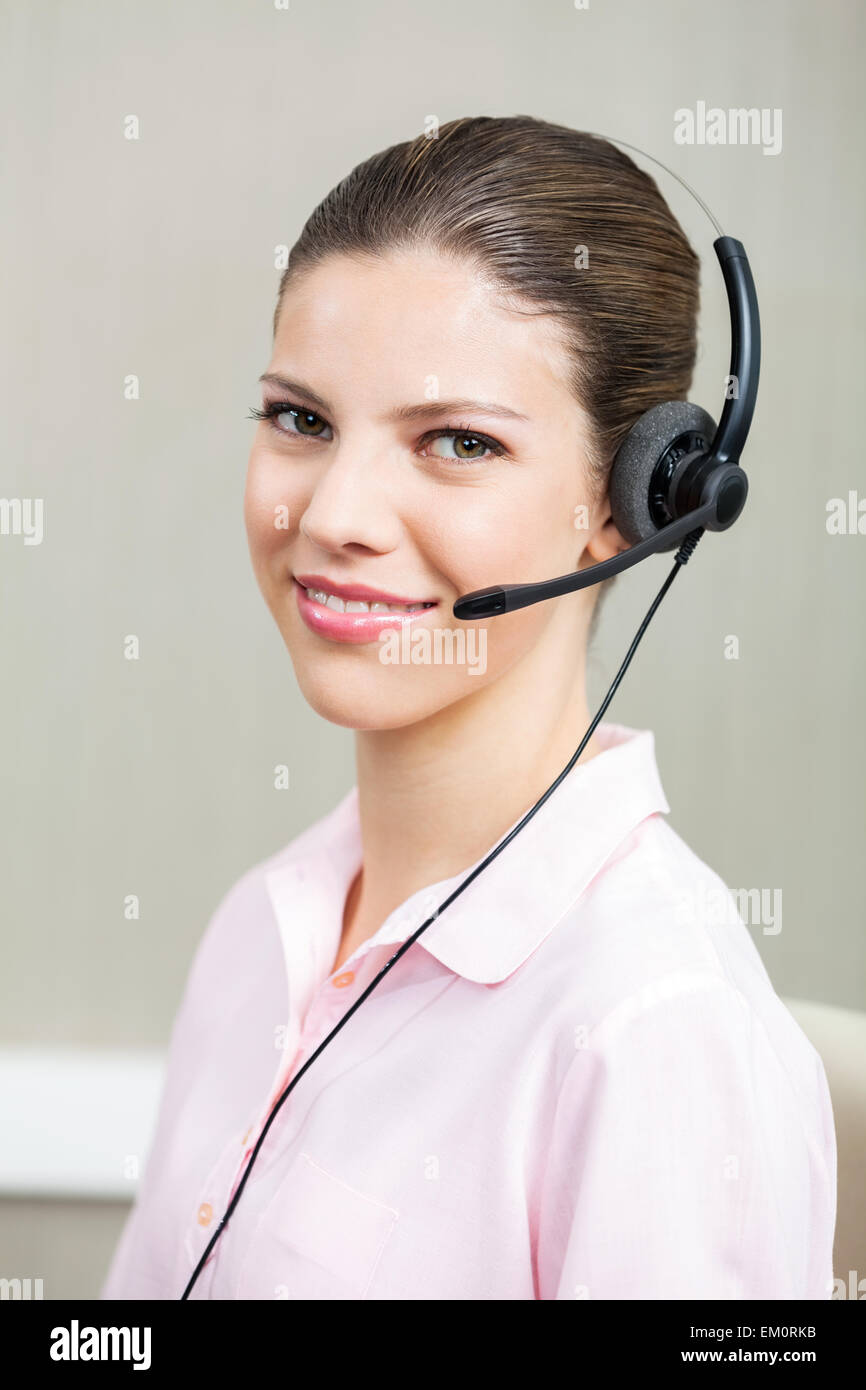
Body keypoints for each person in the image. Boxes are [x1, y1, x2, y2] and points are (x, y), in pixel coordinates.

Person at [101, 115, 836, 1300]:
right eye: (301, 419)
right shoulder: (263, 925)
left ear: (633, 503)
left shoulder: (655, 1033)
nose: (337, 511)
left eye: (454, 440)